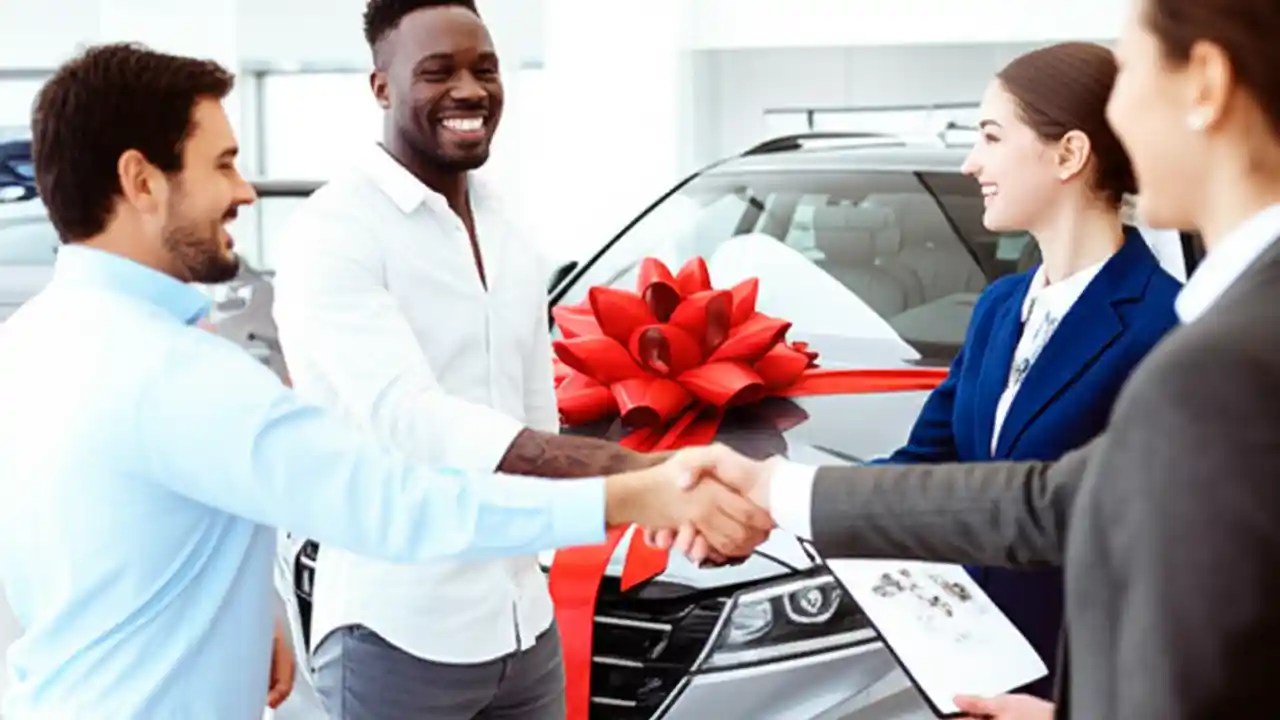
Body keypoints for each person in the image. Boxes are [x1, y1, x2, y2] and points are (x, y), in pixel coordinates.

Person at [0, 42, 771, 719]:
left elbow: (112, 532)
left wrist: (245, 605)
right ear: (141, 180)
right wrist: (642, 491)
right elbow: (394, 502)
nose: (245, 192)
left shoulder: (32, 342)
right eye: (223, 164)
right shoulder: (180, 374)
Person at [672, 0, 1280, 717]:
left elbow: (1144, 573)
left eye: (1132, 76)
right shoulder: (1007, 308)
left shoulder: (1206, 347)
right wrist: (773, 498)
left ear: (1204, 83)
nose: (1122, 116)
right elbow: (1031, 494)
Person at [268, 2, 728, 717]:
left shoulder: (506, 223)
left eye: (485, 69)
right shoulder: (334, 231)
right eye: (437, 72)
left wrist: (659, 505)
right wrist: (646, 480)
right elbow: (414, 423)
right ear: (380, 86)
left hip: (523, 623)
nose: (470, 90)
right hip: (399, 635)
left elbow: (534, 413)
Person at [874, 41, 1180, 699]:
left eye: (990, 135)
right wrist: (768, 502)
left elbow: (1167, 567)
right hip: (969, 681)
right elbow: (923, 466)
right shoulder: (998, 307)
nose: (970, 162)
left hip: (1076, 688)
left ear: (1069, 153)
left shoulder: (1165, 328)